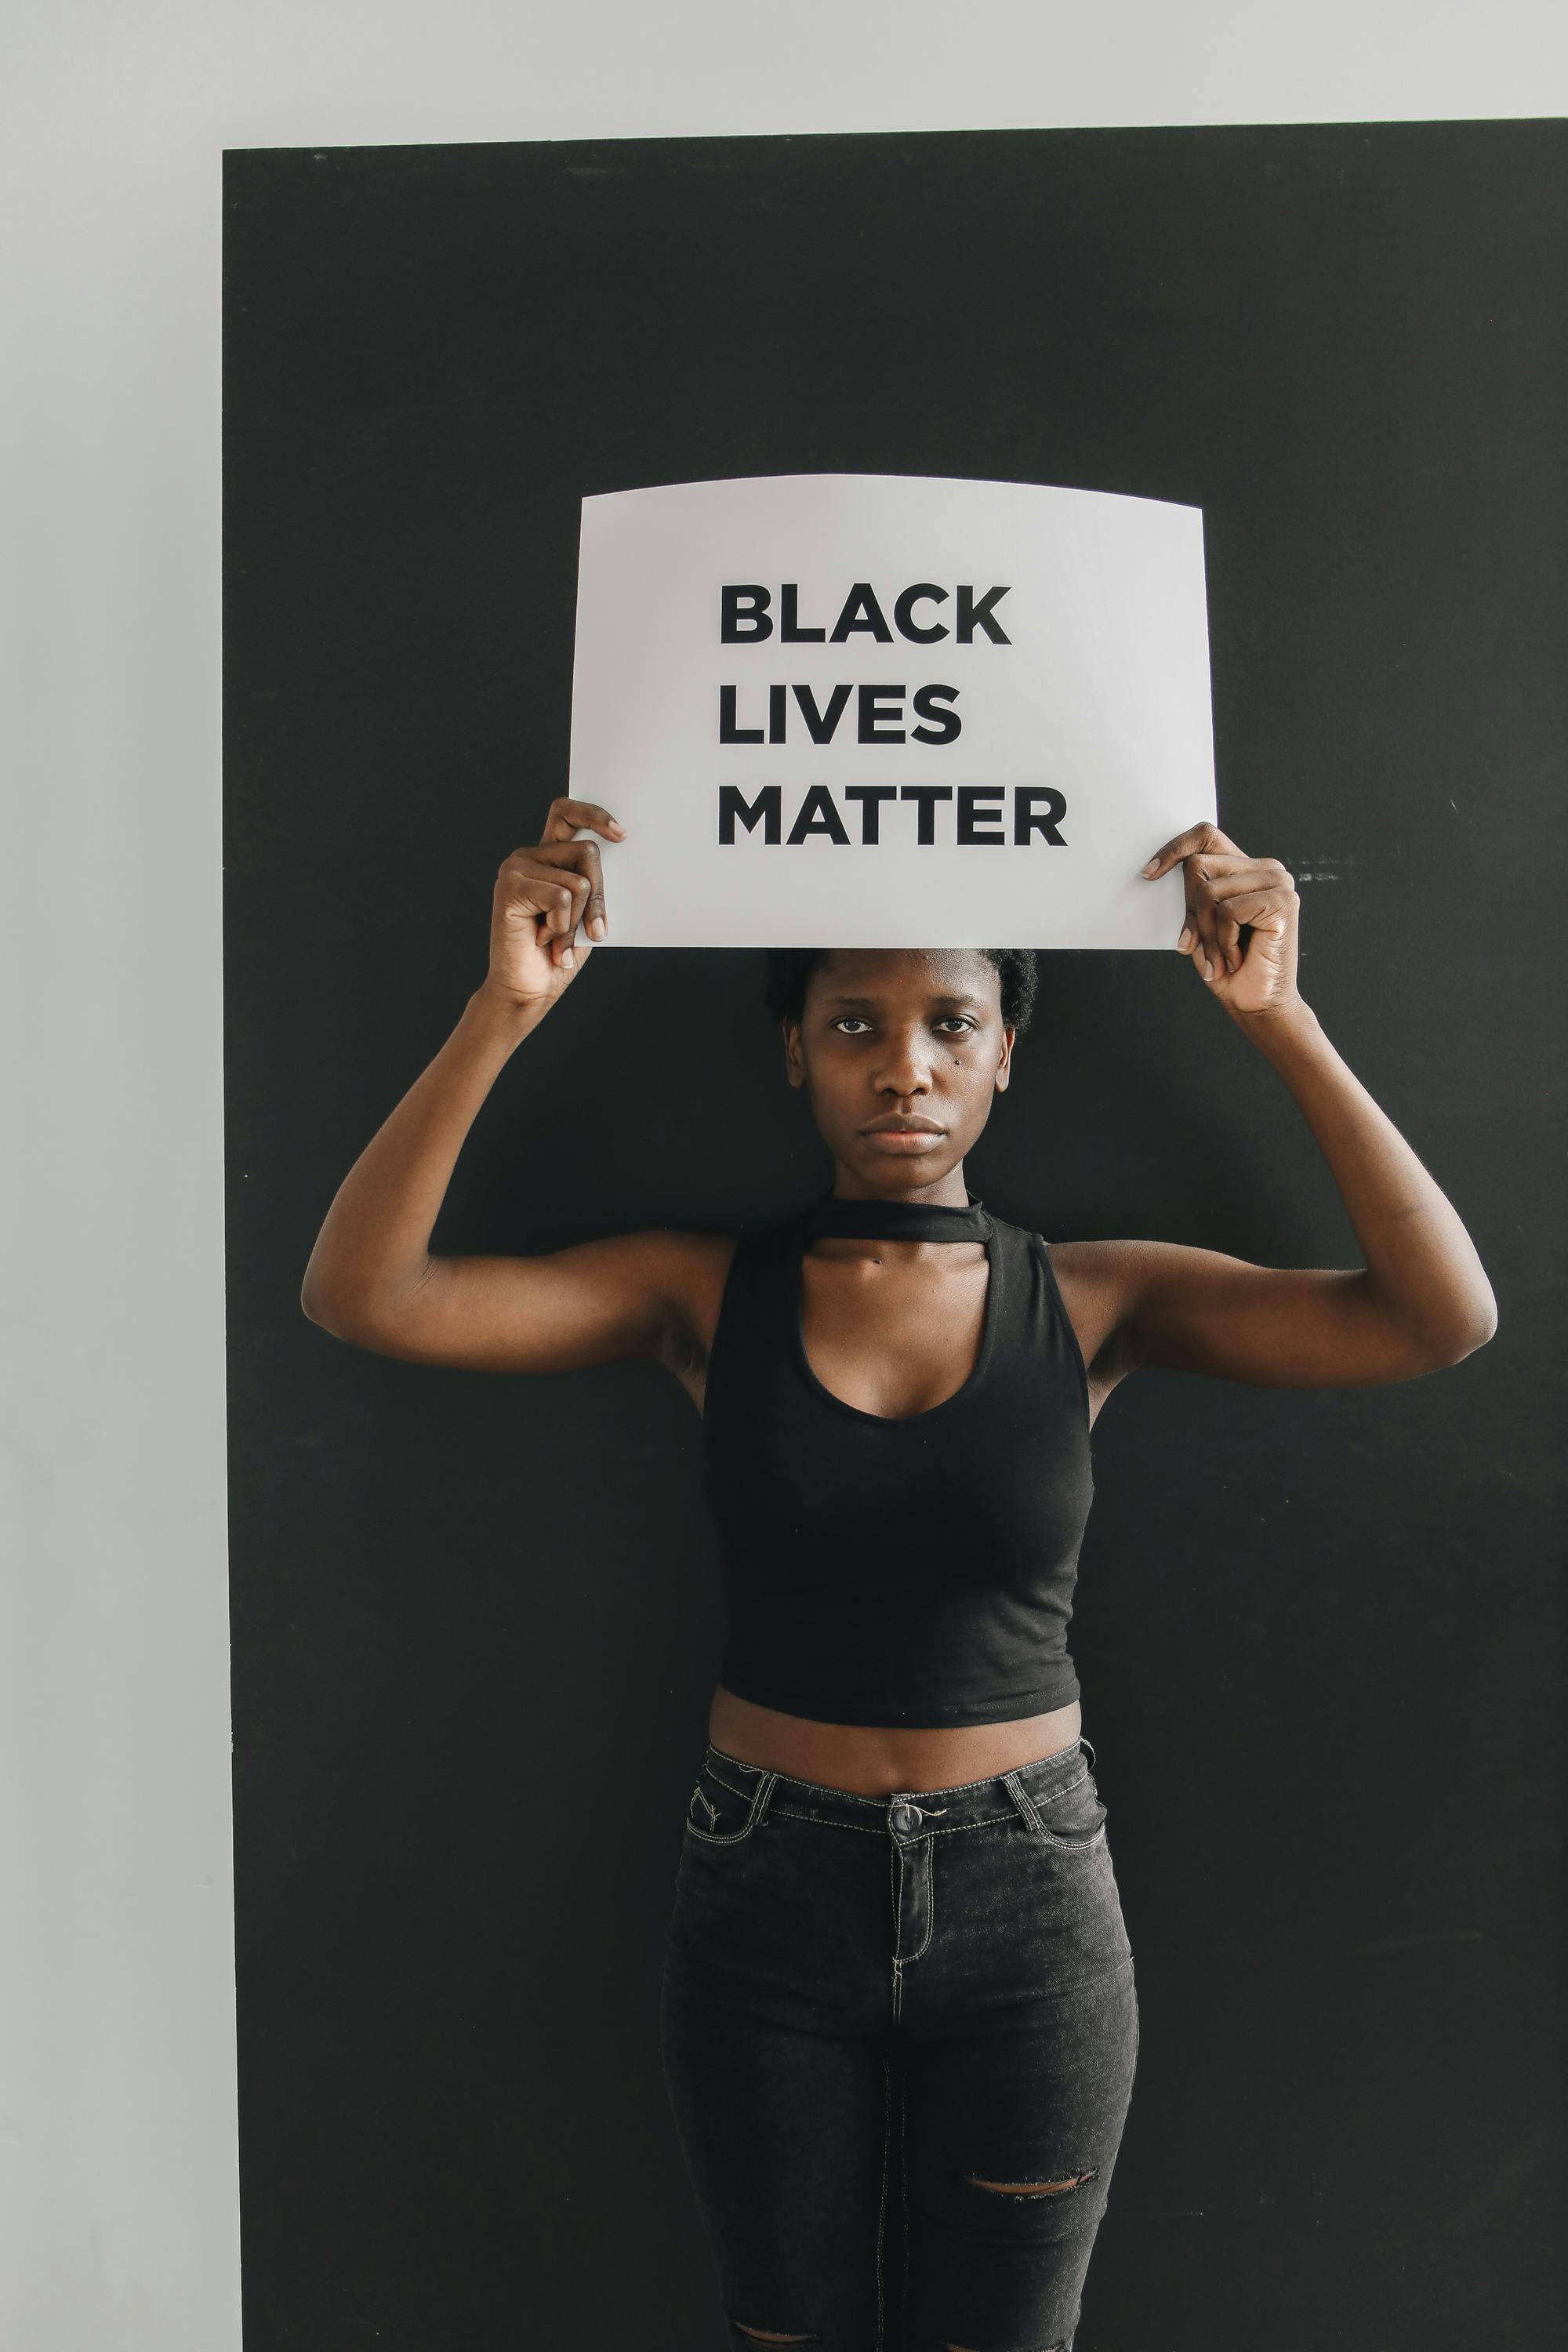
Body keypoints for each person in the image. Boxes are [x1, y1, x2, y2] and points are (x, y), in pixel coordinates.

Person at [300, 796, 1497, 2352]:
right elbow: (365, 1293)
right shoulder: (699, 1290)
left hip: (1031, 1897)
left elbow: (1436, 1318)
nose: (905, 1063)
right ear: (793, 1049)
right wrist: (500, 1010)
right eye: (854, 1021)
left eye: (951, 1021)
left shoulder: (1094, 1297)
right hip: (764, 1887)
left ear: (1007, 1051)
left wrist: (1279, 1022)